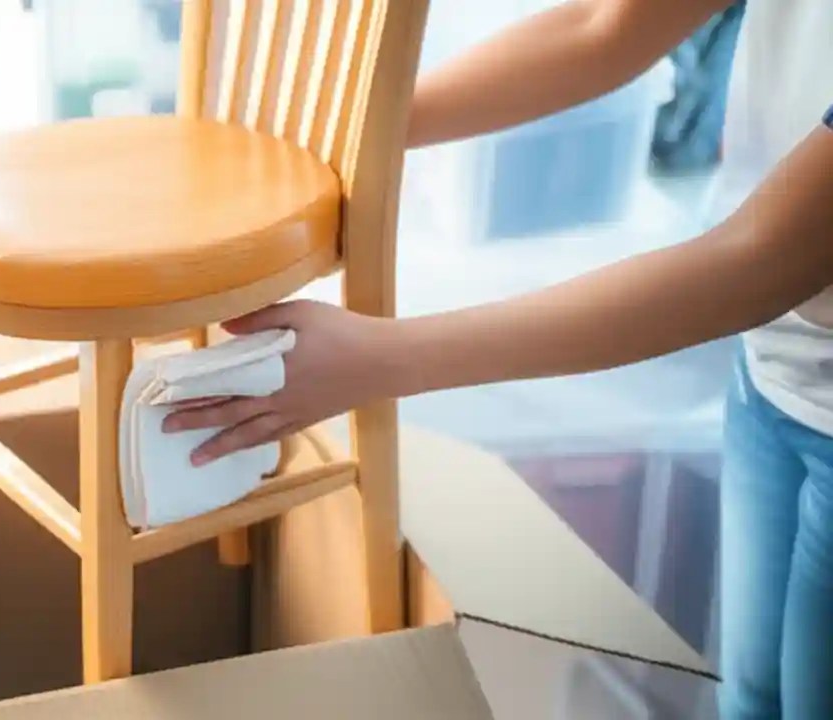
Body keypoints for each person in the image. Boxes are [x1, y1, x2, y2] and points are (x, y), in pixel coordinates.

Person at [164, 1, 833, 717]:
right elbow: (601, 29)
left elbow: (759, 264)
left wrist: (382, 359)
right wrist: (347, 133)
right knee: (754, 696)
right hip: (774, 369)